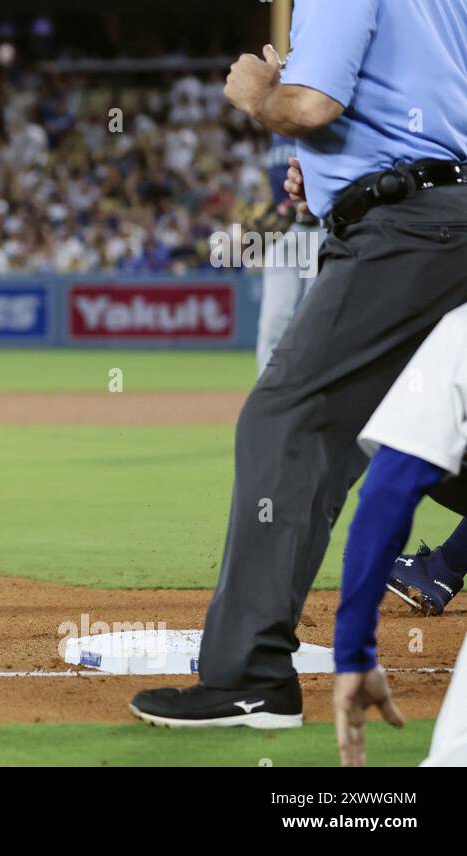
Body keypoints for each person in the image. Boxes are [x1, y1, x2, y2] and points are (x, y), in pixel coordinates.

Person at [131, 0, 467, 728]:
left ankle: (248, 677)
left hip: (403, 237)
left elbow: (310, 103)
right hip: (445, 221)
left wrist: (257, 90)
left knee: (287, 421)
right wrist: (335, 173)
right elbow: (424, 121)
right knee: (440, 438)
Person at [331, 305, 467, 766]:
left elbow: (389, 490)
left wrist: (353, 654)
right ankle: (442, 567)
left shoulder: (458, 330)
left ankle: (441, 568)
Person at [255, 133, 323, 376]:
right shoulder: (275, 131)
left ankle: (312, 389)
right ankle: (266, 396)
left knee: (316, 319)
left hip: (323, 229)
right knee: (273, 321)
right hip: (283, 232)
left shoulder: (321, 116)